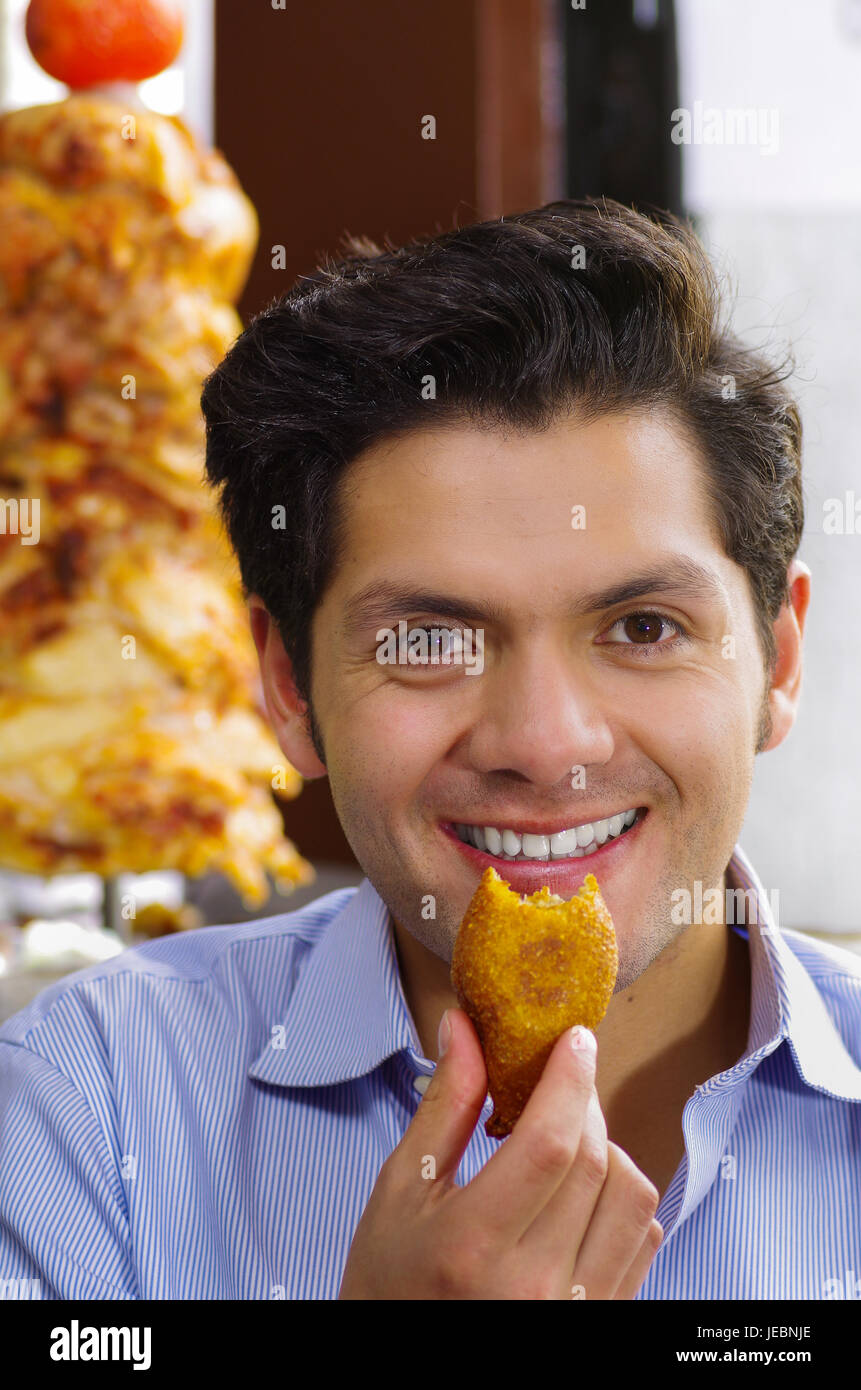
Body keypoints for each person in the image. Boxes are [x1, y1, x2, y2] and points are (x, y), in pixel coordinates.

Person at [1, 198, 859, 1301]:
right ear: (288, 686)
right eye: (427, 641)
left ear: (777, 663)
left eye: (644, 628)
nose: (545, 744)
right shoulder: (87, 1108)